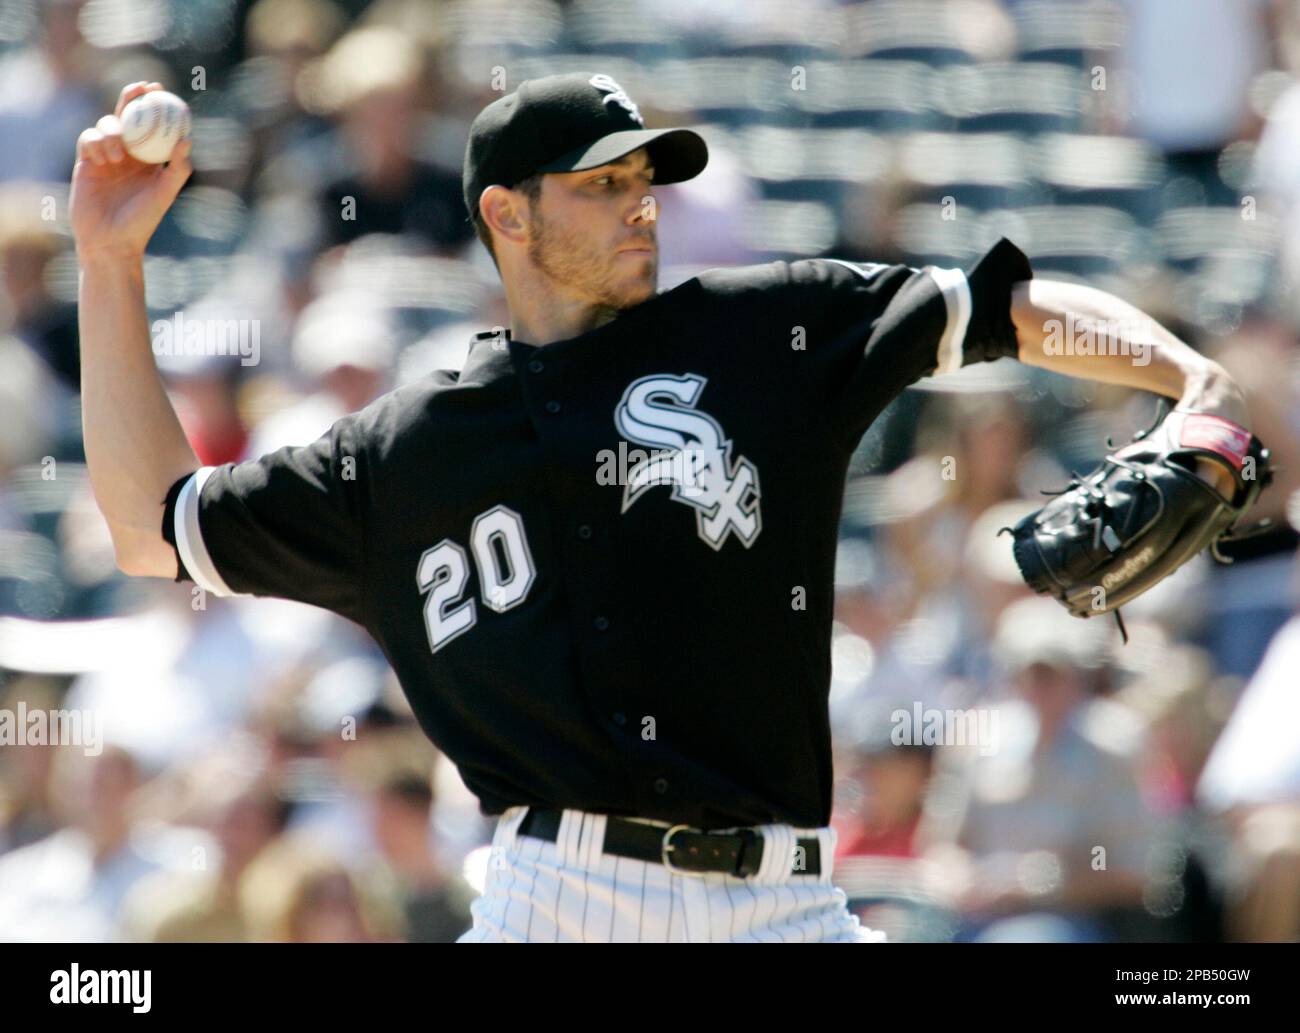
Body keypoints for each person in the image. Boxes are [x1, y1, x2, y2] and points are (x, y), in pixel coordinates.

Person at [71, 74, 1255, 942]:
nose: (641, 204)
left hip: (784, 902)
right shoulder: (405, 453)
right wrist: (110, 261)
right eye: (602, 185)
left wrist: (1191, 384)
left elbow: (1015, 307)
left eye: (647, 179)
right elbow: (149, 524)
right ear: (505, 216)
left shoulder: (764, 332)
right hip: (551, 901)